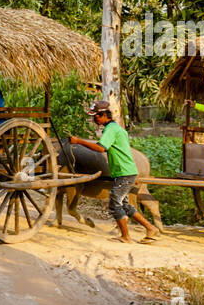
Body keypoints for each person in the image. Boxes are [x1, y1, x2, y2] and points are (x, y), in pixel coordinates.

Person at [67, 100, 159, 244]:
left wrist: (79, 141)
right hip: (124, 171)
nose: (94, 119)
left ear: (104, 115)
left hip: (124, 172)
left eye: (96, 117)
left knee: (115, 203)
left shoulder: (111, 129)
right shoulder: (114, 128)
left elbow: (101, 148)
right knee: (124, 205)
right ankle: (150, 228)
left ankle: (126, 236)